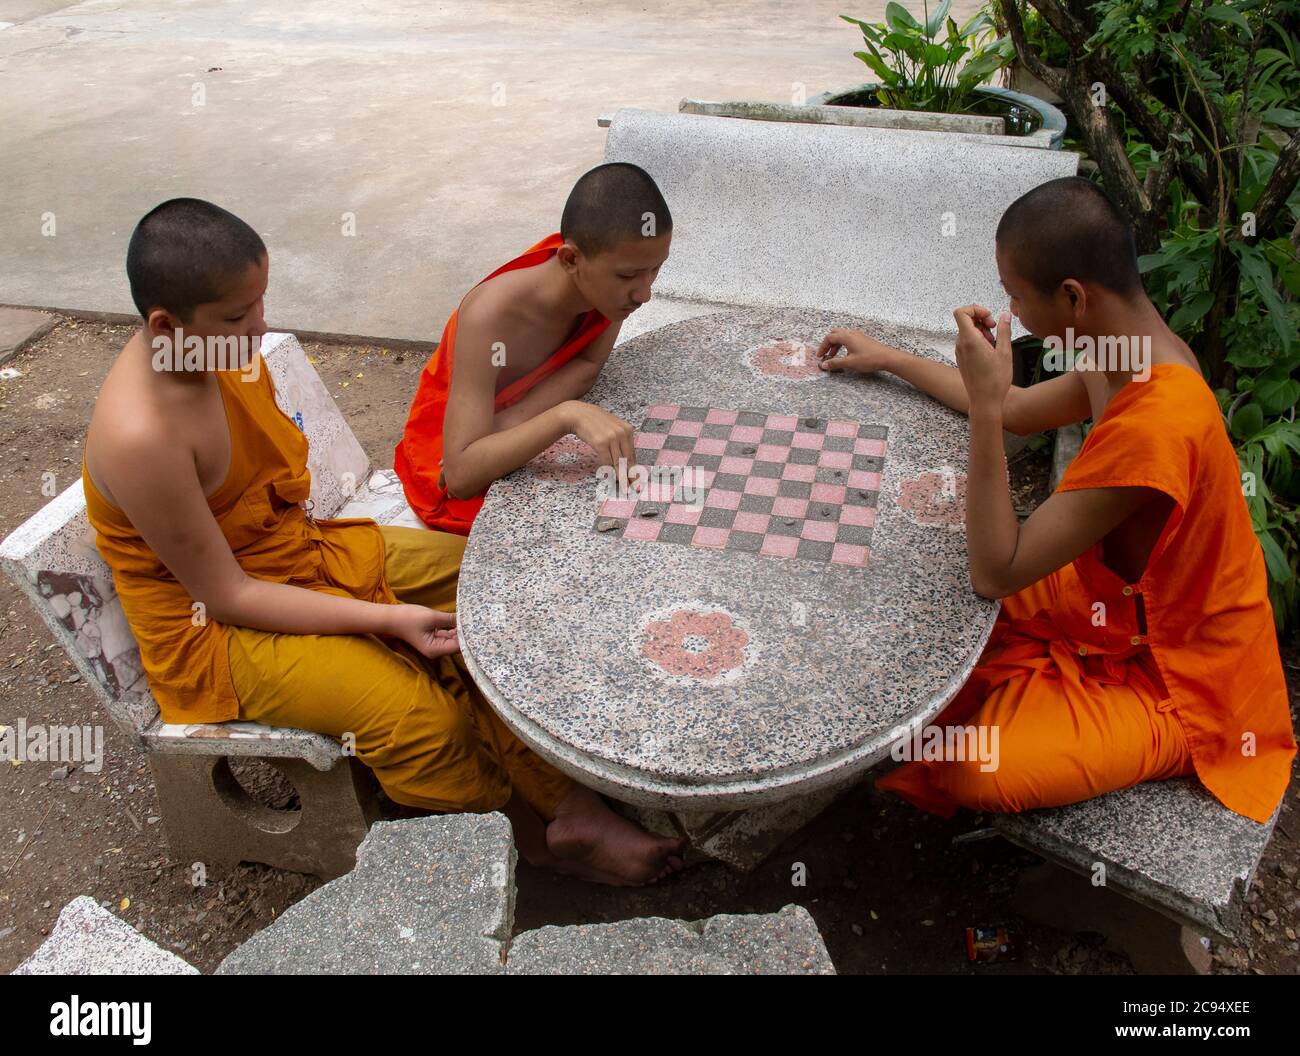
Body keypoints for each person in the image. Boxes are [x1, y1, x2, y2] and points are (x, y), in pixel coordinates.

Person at [82, 198, 682, 884]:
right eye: (238, 316)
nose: (261, 326)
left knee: (495, 585)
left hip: (299, 552)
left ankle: (565, 798)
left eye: (261, 302)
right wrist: (385, 618)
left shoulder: (215, 348)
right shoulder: (143, 438)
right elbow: (229, 595)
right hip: (220, 633)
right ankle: (525, 838)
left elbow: (275, 506)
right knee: (419, 718)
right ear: (165, 324)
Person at [817, 176, 1295, 823]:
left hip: (1183, 678)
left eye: (1016, 295)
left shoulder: (1161, 415)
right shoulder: (1121, 351)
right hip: (1107, 607)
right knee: (918, 601)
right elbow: (1016, 410)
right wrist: (891, 358)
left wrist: (985, 405)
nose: (1009, 309)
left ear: (1073, 297)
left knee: (976, 765)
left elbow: (996, 570)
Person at [394, 162, 673, 533]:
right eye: (628, 276)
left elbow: (588, 365)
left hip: (495, 430)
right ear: (571, 259)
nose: (645, 293)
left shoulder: (606, 284)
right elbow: (459, 475)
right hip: (445, 460)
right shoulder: (490, 316)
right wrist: (566, 416)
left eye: (655, 269)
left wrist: (511, 423)